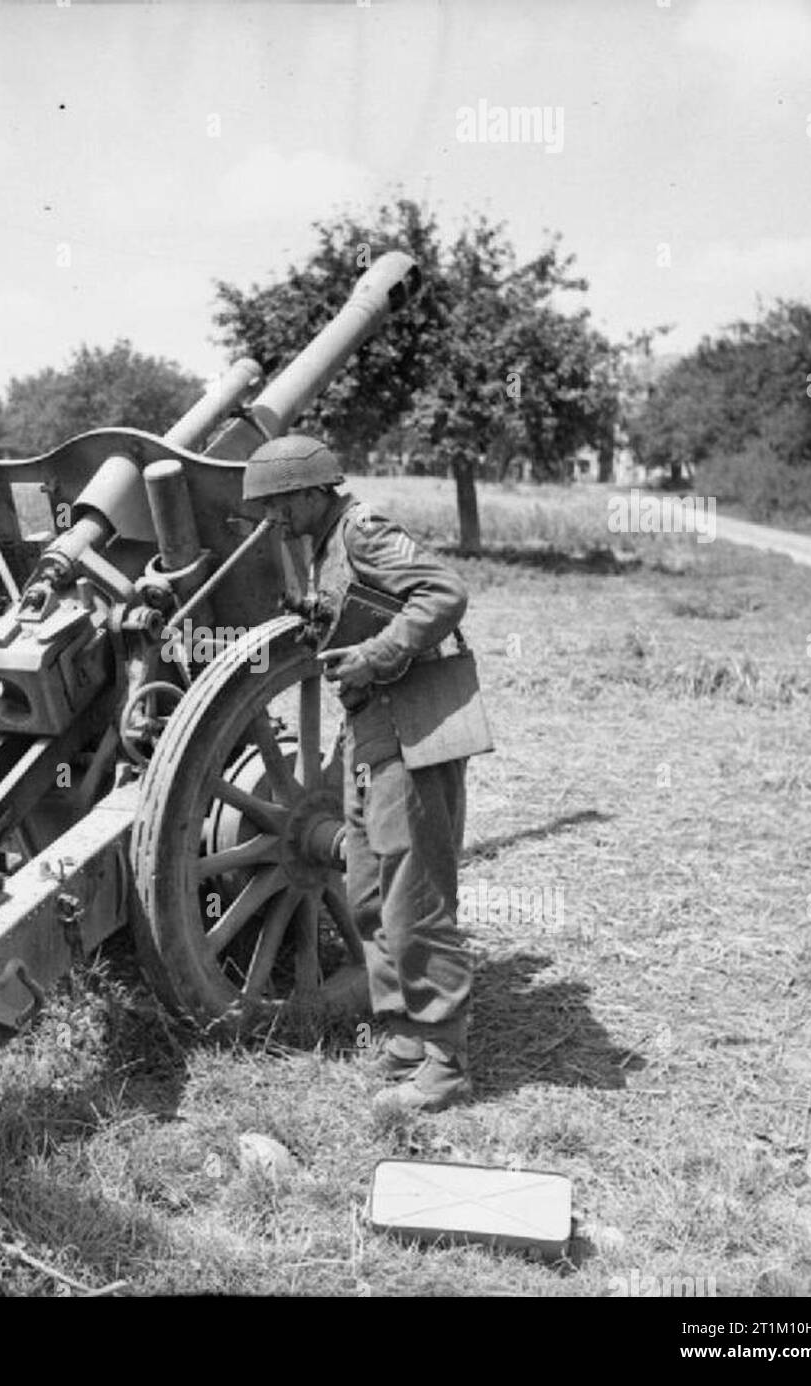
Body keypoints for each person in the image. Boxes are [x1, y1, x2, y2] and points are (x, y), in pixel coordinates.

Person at [242, 433, 474, 1113]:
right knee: (369, 888)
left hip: (412, 721)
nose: (273, 521)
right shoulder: (322, 548)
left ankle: (447, 1062)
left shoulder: (363, 530)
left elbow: (443, 592)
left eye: (282, 505)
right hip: (369, 725)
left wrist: (376, 652)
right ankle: (405, 1035)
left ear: (315, 492)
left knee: (416, 894)